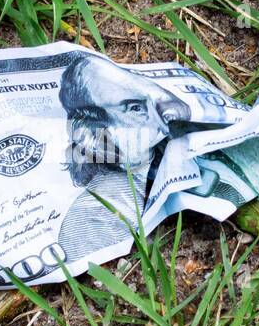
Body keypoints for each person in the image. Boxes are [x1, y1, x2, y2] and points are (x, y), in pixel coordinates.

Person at [56, 54, 189, 258]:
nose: (162, 122)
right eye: (135, 109)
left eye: (156, 105)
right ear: (91, 130)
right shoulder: (92, 217)